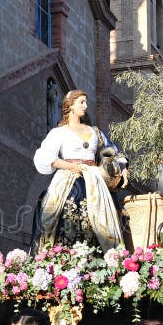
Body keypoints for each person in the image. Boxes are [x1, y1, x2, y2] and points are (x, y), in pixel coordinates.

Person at [33, 89, 128, 252]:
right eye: (81, 102)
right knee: (60, 214)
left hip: (95, 181)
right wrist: (70, 166)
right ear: (70, 106)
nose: (85, 106)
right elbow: (44, 156)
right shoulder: (59, 133)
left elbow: (114, 152)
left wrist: (122, 168)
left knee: (103, 220)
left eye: (86, 102)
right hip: (68, 180)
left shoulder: (95, 132)